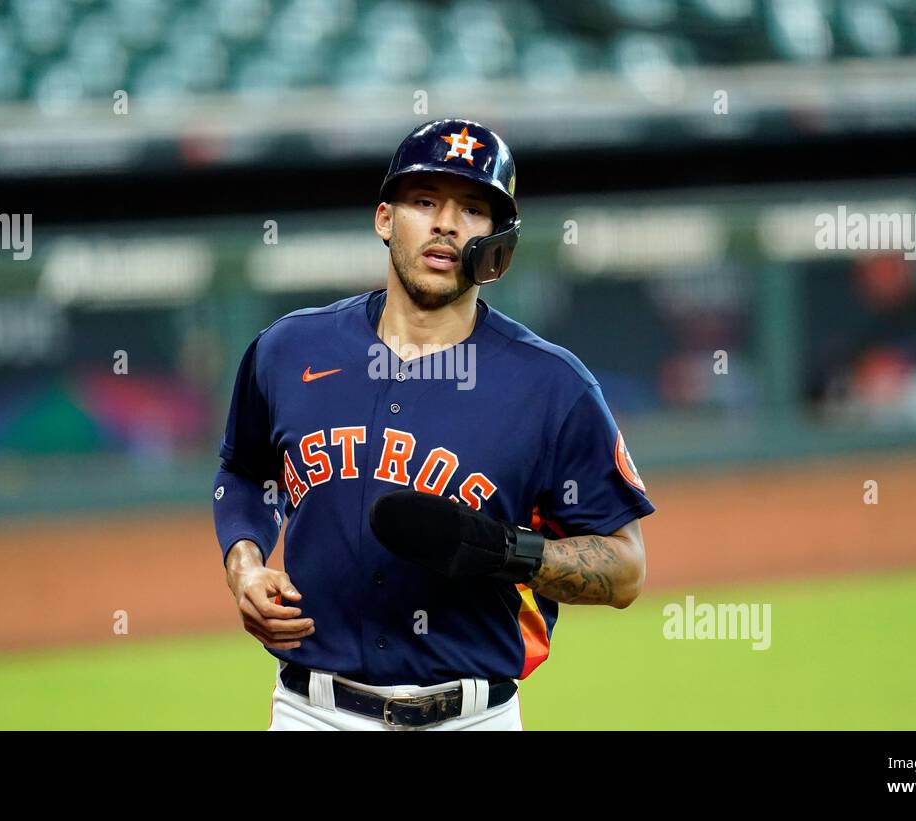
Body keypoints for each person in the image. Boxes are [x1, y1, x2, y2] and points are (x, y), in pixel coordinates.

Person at [212, 118, 655, 731]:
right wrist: (246, 566)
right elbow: (243, 471)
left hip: (472, 717)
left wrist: (508, 552)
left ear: (499, 239)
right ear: (385, 219)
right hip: (311, 712)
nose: (447, 223)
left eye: (473, 209)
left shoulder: (553, 386)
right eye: (425, 201)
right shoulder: (289, 349)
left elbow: (626, 570)